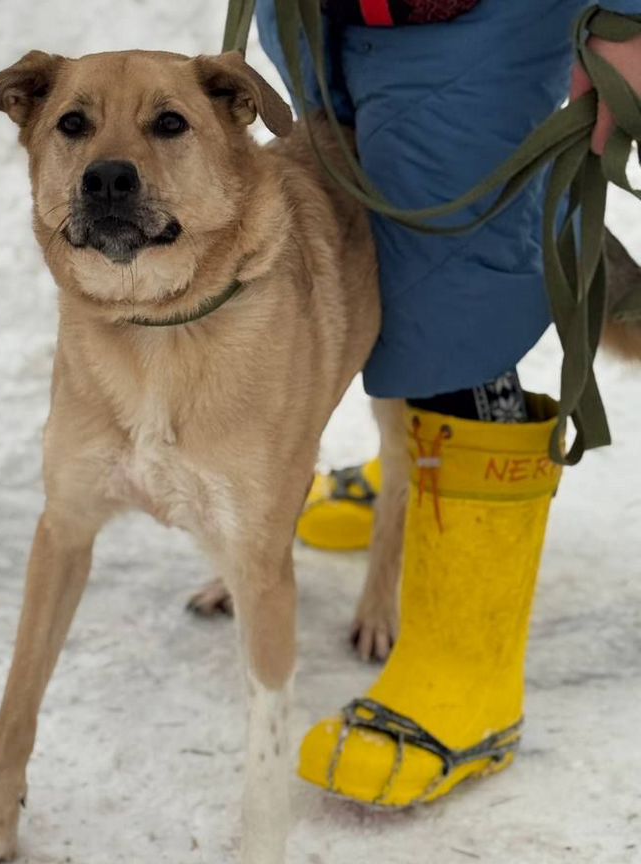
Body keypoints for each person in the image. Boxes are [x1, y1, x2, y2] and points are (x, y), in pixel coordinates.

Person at [254, 0, 641, 807]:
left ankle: (466, 662)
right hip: (322, 20)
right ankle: (413, 473)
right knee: (376, 251)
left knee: (453, 290)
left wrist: (629, 20)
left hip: (470, 18)